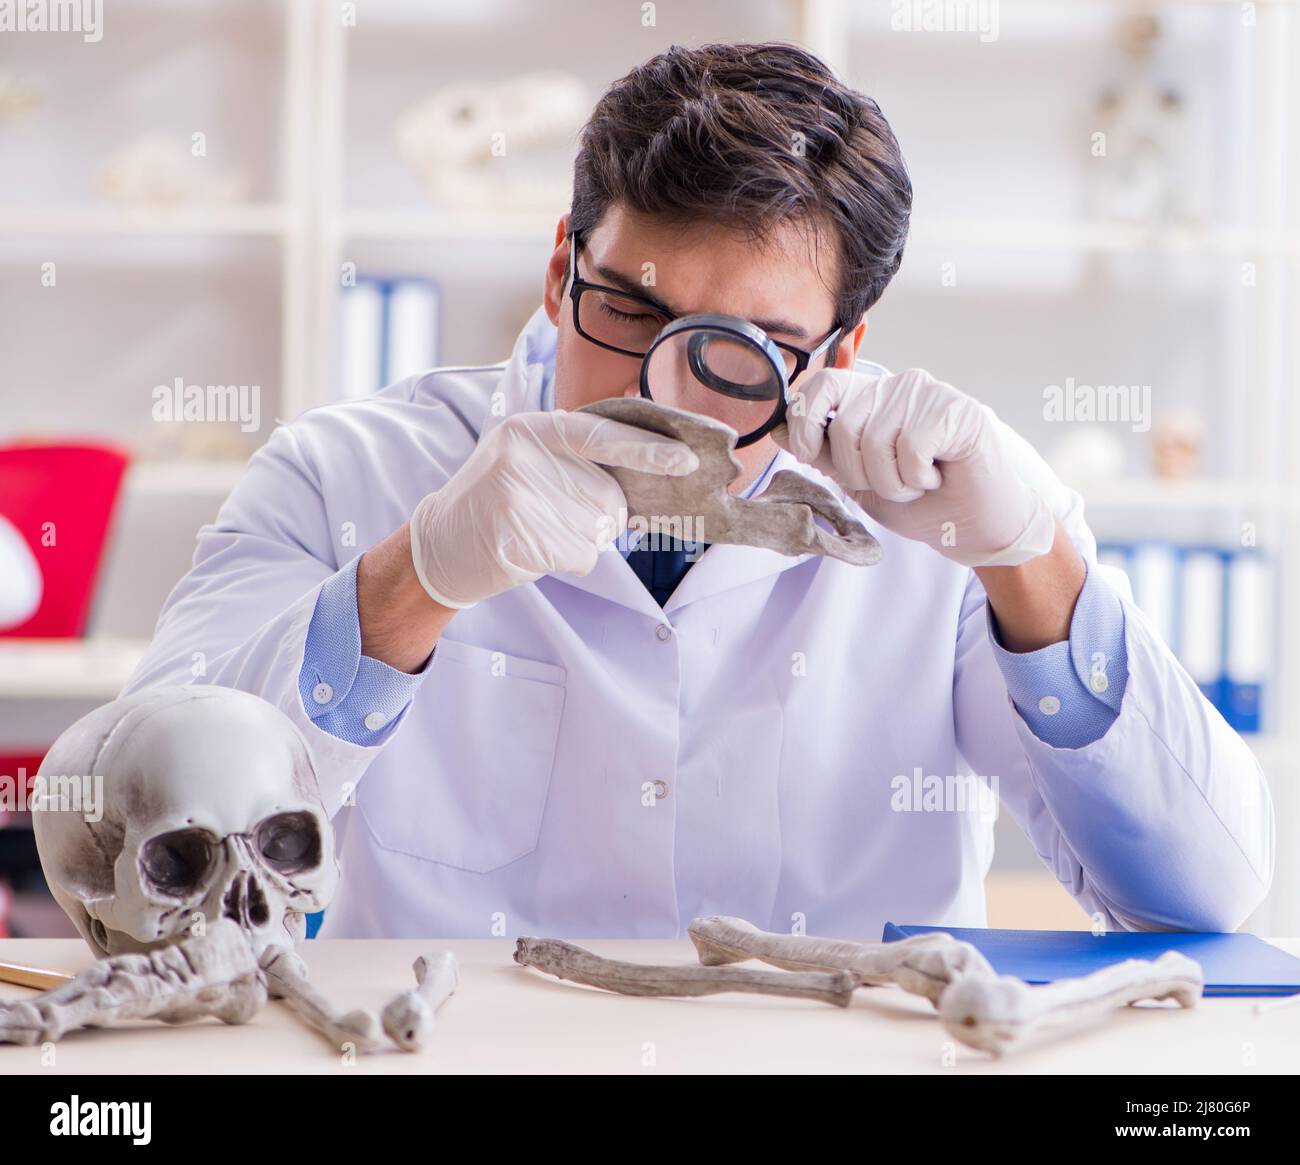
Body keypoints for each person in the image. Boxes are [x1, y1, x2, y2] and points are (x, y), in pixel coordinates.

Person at [125, 43, 1272, 939]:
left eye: (749, 348)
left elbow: (1205, 894)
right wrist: (406, 586)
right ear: (558, 265)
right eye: (628, 308)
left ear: (842, 352)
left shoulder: (943, 521)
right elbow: (129, 836)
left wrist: (1037, 564)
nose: (669, 393)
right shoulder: (343, 475)